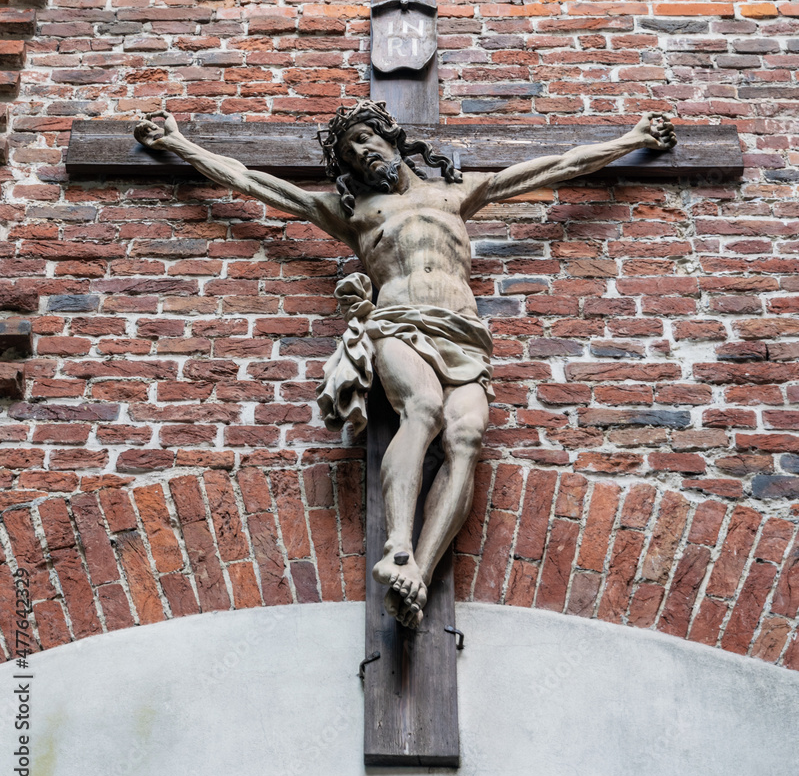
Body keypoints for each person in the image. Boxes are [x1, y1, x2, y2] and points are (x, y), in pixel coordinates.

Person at [135, 101, 676, 627]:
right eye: (349, 152)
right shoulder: (356, 213)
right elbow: (256, 184)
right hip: (396, 325)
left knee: (466, 438)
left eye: (365, 139)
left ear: (391, 136)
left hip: (463, 332)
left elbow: (559, 166)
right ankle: (398, 545)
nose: (361, 154)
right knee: (422, 408)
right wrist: (179, 144)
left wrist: (633, 139)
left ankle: (421, 566)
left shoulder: (456, 193)